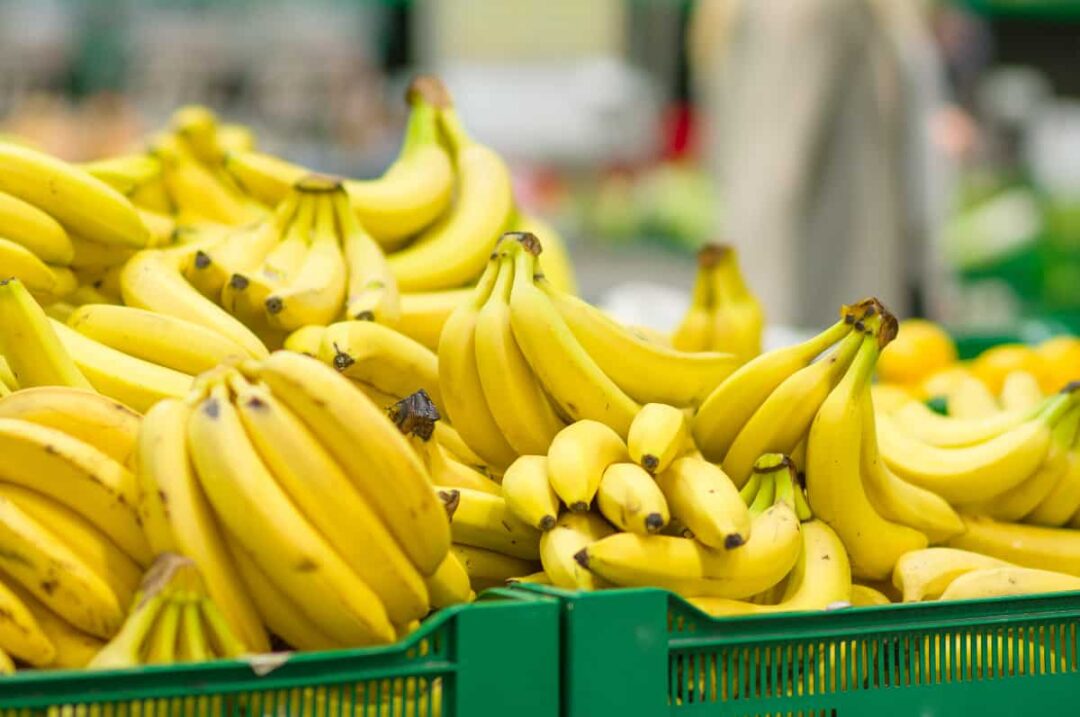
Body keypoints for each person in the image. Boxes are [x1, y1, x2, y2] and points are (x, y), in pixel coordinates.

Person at [691, 0, 953, 326]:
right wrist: (759, 338)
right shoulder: (806, 12)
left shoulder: (864, 12)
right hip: (820, 318)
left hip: (850, 309)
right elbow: (765, 187)